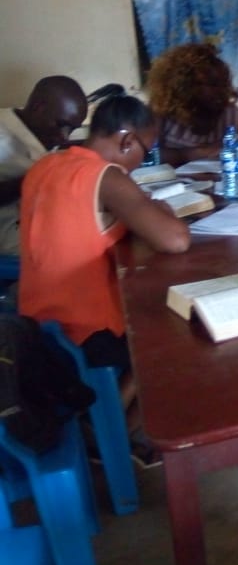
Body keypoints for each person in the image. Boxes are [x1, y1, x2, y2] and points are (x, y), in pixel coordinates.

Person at [19, 94, 190, 370]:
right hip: (87, 331)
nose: (141, 162)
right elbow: (175, 240)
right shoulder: (106, 176)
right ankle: (120, 410)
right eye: (145, 153)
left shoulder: (45, 165)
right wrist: (162, 211)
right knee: (178, 337)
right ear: (127, 141)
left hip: (36, 324)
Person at [0, 76, 88, 255]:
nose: (65, 136)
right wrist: (34, 179)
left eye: (71, 129)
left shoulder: (35, 131)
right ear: (38, 108)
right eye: (62, 125)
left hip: (35, 225)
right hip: (11, 241)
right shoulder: (3, 141)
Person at [146, 43, 238, 166]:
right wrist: (194, 154)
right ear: (186, 85)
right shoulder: (160, 110)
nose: (221, 91)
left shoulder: (231, 115)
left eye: (223, 84)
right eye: (212, 84)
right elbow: (148, 156)